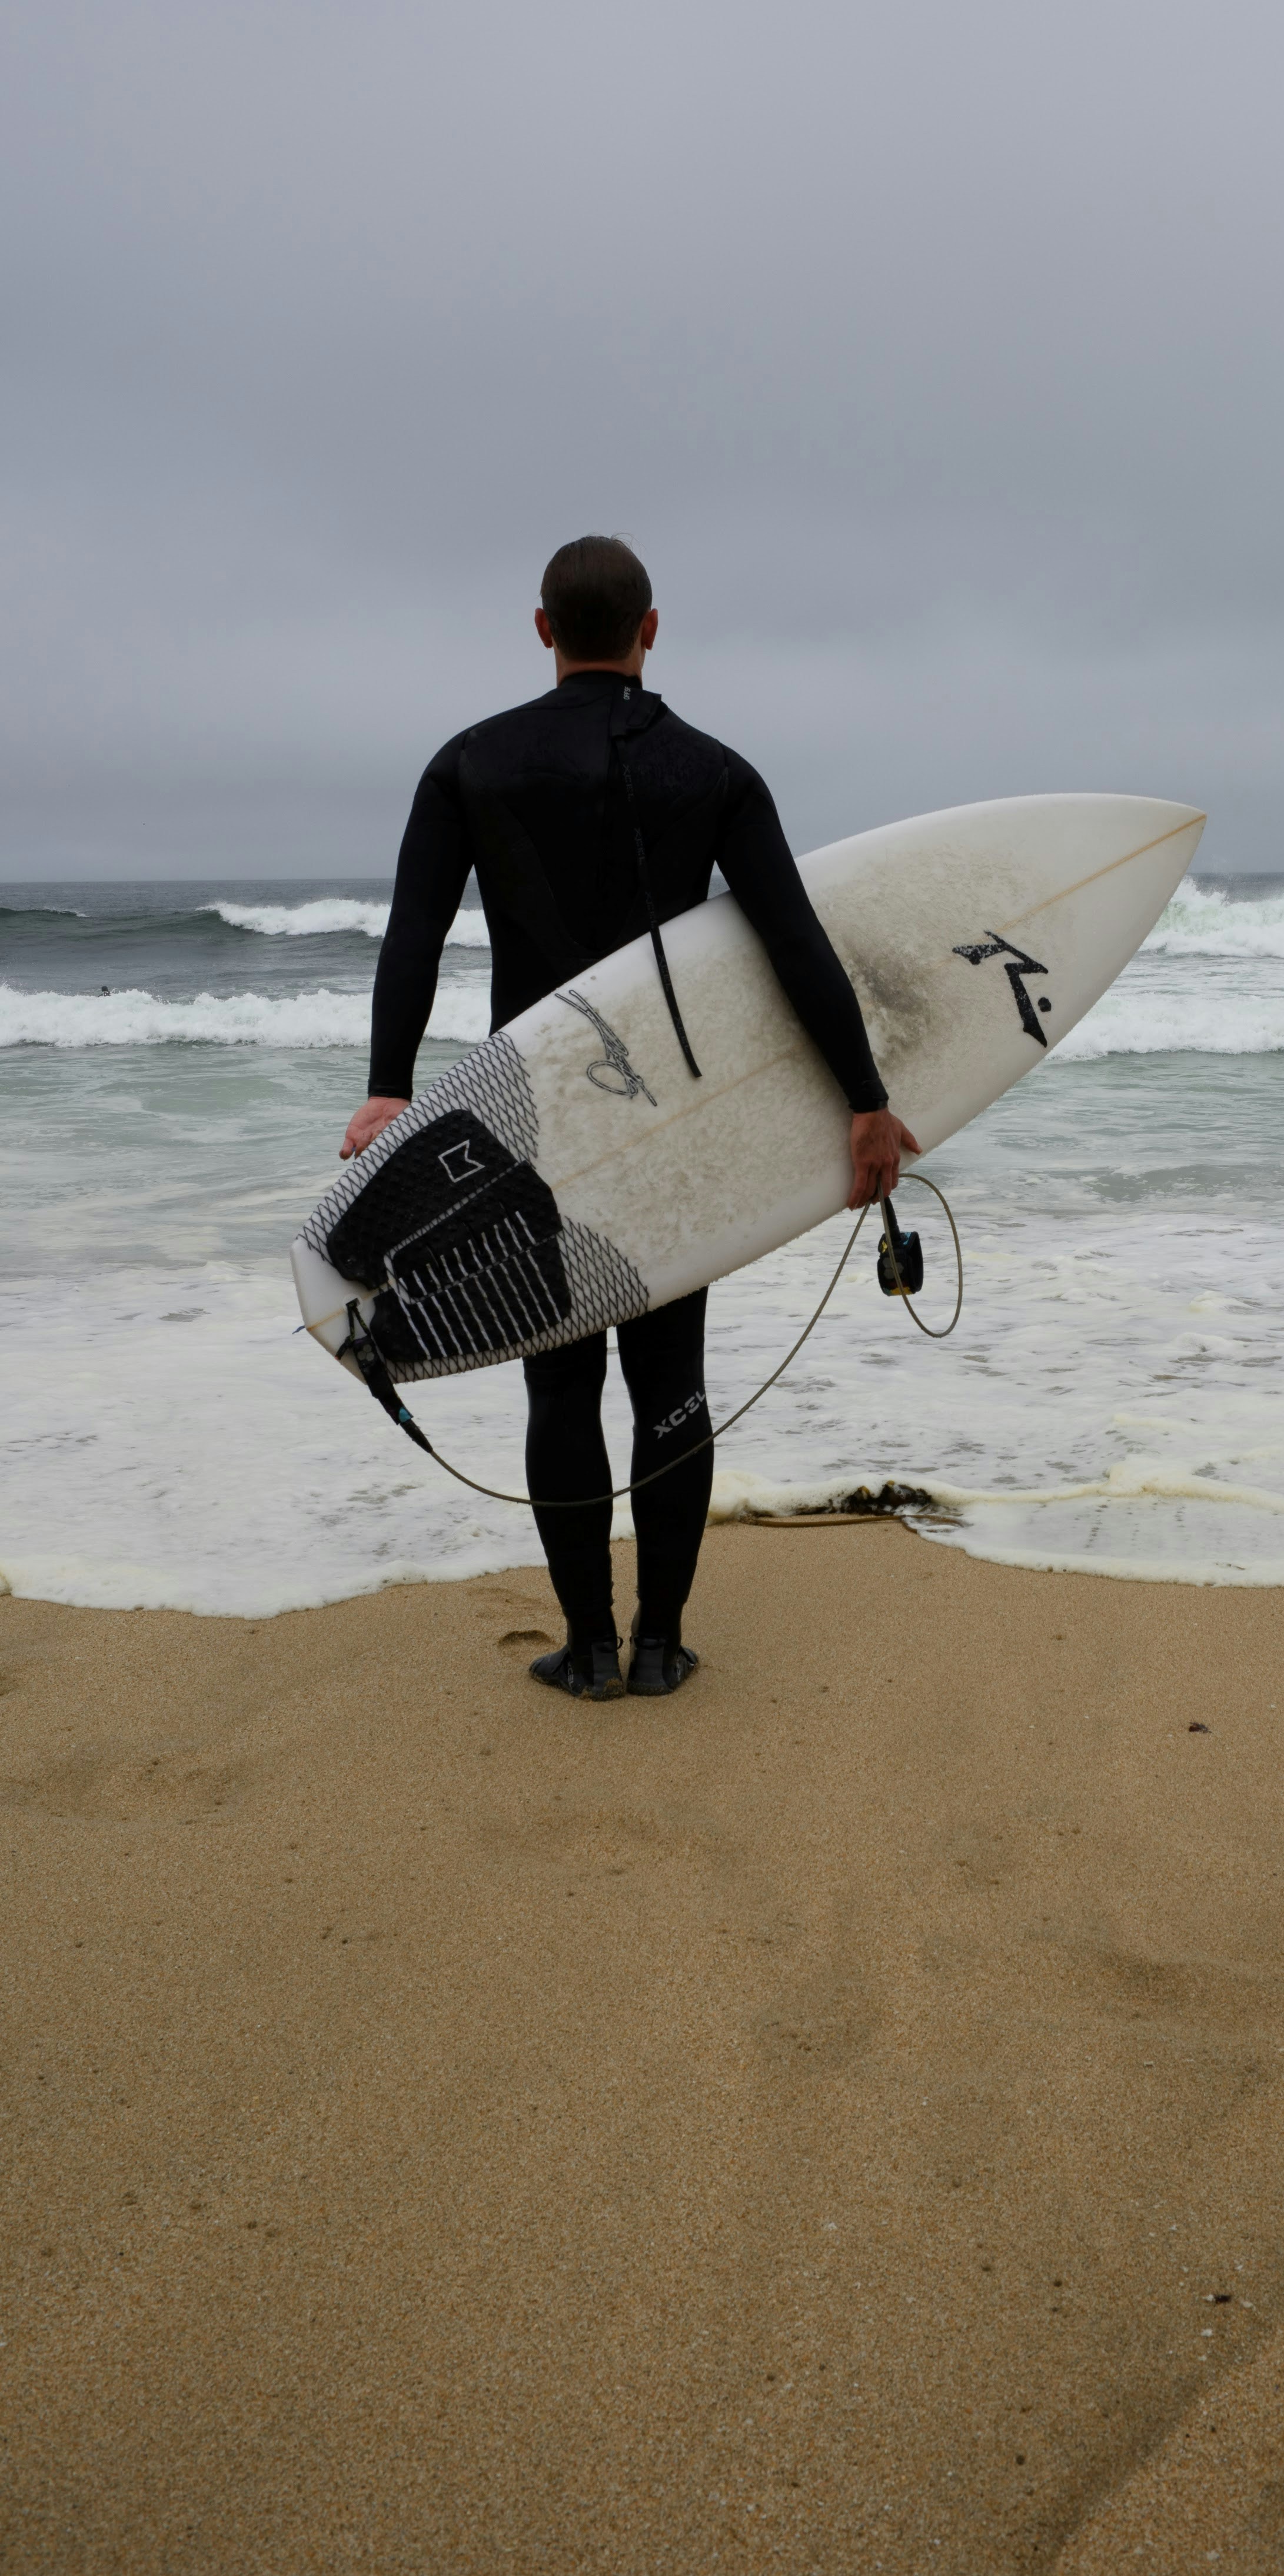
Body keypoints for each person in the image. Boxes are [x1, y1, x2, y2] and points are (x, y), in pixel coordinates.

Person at [341, 535, 919, 1704]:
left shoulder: (468, 765)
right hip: (677, 1123)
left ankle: (588, 1650)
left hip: (538, 1122)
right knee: (672, 1379)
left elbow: (412, 935)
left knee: (559, 1388)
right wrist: (866, 1100)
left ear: (543, 629)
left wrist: (389, 1087)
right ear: (650, 630)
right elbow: (795, 946)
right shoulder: (713, 773)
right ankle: (661, 1645)